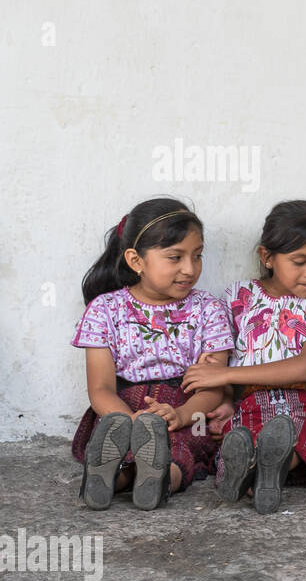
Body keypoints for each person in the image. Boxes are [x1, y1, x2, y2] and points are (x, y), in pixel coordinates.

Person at [182, 200, 306, 514]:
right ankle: (255, 474)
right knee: (245, 433)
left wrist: (226, 376)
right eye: (299, 261)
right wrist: (225, 400)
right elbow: (220, 357)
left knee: (297, 431)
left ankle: (266, 470)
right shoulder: (238, 297)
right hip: (252, 403)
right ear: (267, 257)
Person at [72, 199, 232, 510]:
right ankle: (110, 477)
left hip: (187, 408)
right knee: (126, 445)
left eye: (197, 256)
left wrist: (182, 415)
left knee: (177, 447)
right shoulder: (104, 310)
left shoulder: (208, 309)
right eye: (175, 257)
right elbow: (101, 389)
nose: (190, 268)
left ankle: (153, 480)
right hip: (119, 411)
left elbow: (213, 385)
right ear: (136, 260)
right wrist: (131, 423)